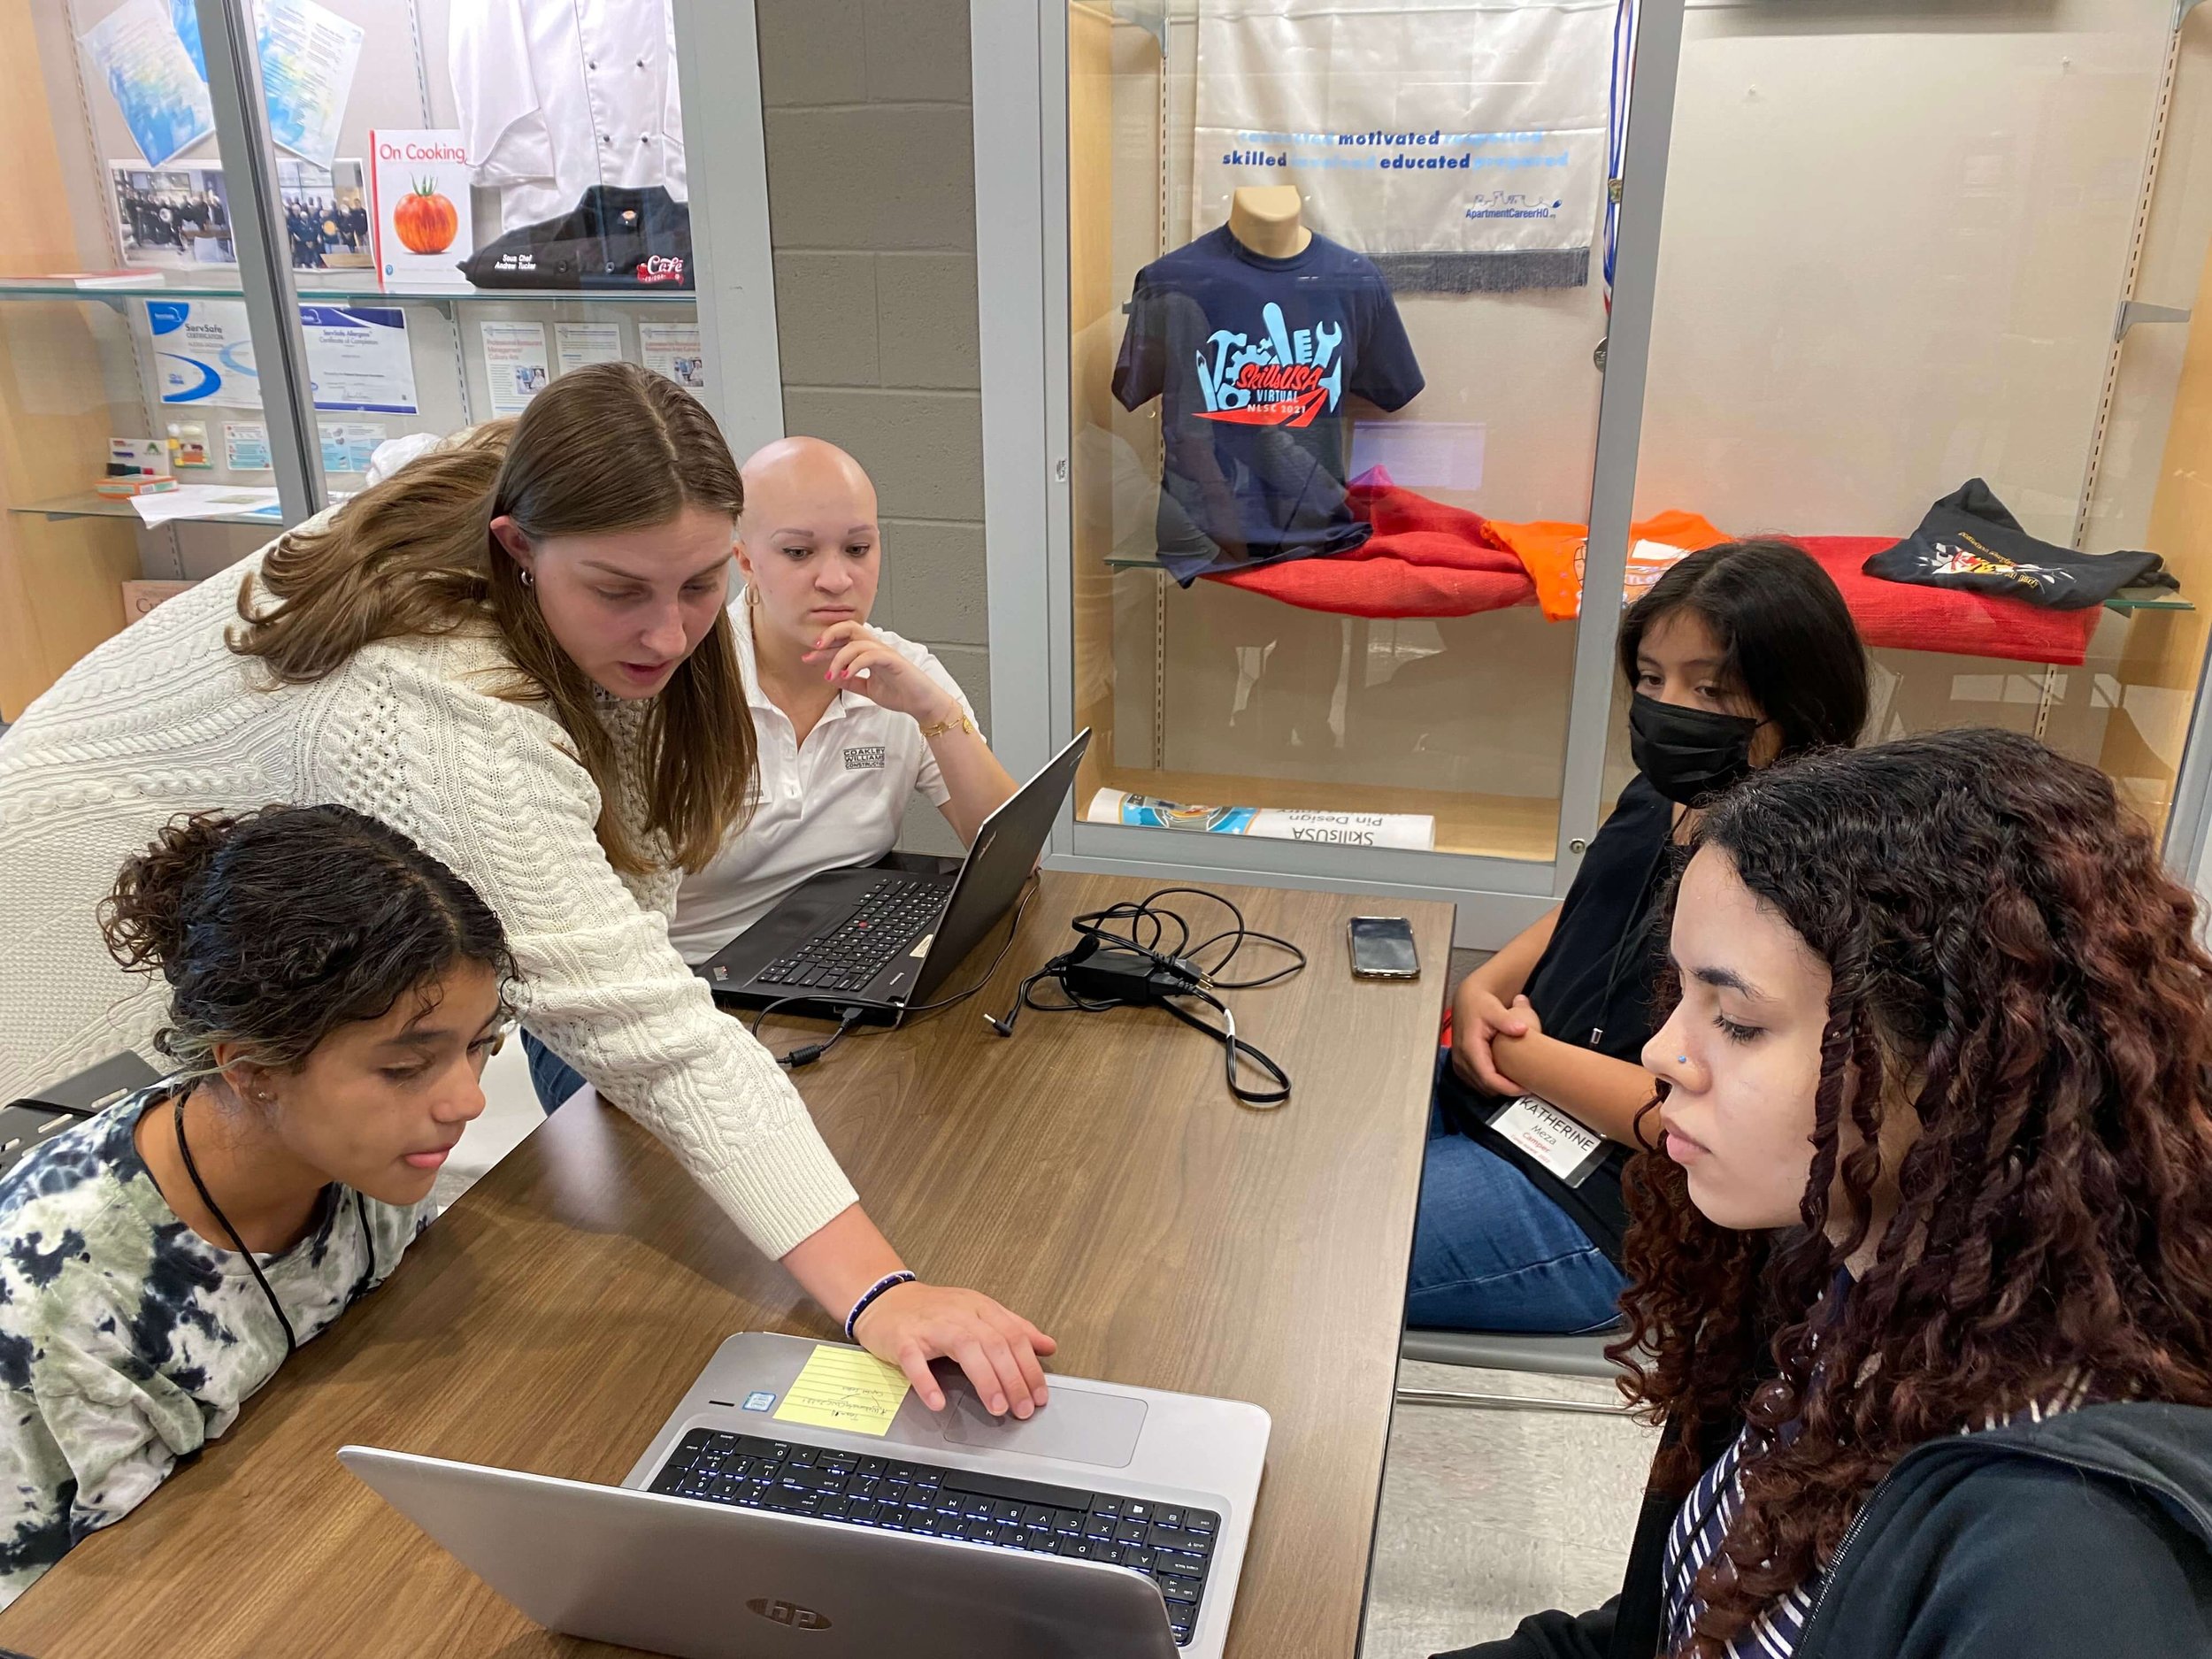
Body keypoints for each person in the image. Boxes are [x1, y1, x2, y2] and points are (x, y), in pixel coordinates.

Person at [0, 362, 1053, 1422]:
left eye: (700, 586)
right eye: (619, 591)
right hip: (59, 940)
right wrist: (883, 1292)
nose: (668, 634)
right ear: (517, 547)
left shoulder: (564, 499)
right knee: (110, 1317)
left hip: (215, 924)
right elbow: (642, 1024)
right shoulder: (438, 710)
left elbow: (634, 882)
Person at [1439, 729, 2212, 1659]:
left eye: (1736, 1021)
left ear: (1959, 1063)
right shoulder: (1817, 1273)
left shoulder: (2066, 1564)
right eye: (1675, 995)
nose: (1659, 1054)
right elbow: (1652, 1634)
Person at [0, 804, 513, 1608]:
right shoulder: (56, 1310)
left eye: (482, 1043)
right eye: (409, 1065)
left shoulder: (363, 1162)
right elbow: (65, 1610)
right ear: (250, 1069)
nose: (468, 1100)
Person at [1409, 541, 1869, 1334]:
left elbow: (1708, 1115)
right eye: (1652, 679)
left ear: (1795, 698)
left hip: (1605, 1202)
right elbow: (1595, 899)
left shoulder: (1799, 881)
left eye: (1710, 687)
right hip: (1503, 1100)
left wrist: (1522, 1055)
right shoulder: (1666, 793)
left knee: (1310, 1239)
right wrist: (1482, 987)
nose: (1668, 706)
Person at [664, 436, 1018, 966]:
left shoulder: (904, 670)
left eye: (857, 549)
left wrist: (937, 715)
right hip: (692, 982)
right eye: (798, 552)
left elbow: (1014, 862)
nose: (836, 580)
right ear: (746, 563)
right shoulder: (677, 677)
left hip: (843, 960)